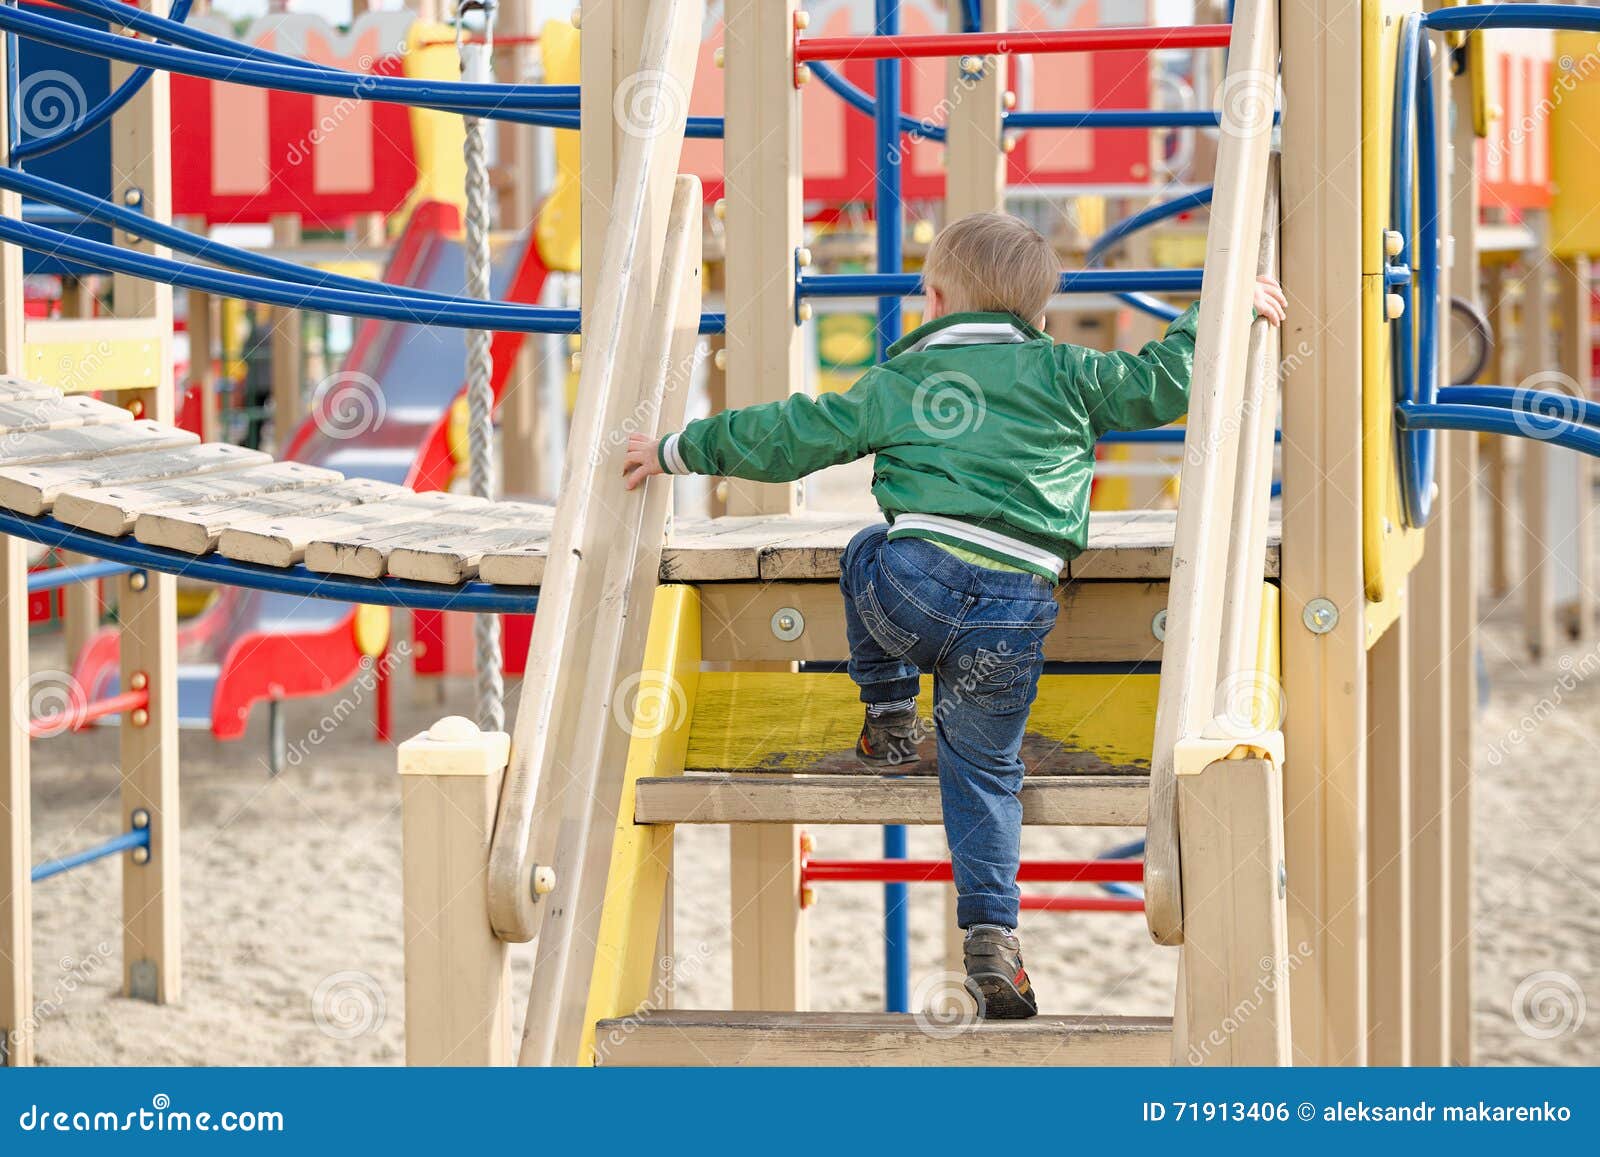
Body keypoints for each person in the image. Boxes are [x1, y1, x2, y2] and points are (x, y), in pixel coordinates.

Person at [623, 211, 1286, 1018]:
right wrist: (1219, 308)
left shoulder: (903, 382)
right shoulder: (1070, 372)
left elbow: (796, 435)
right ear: (1038, 316)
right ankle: (993, 935)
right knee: (984, 773)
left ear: (932, 298)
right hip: (1015, 609)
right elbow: (1161, 380)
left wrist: (680, 447)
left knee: (866, 548)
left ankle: (891, 708)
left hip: (913, 588)